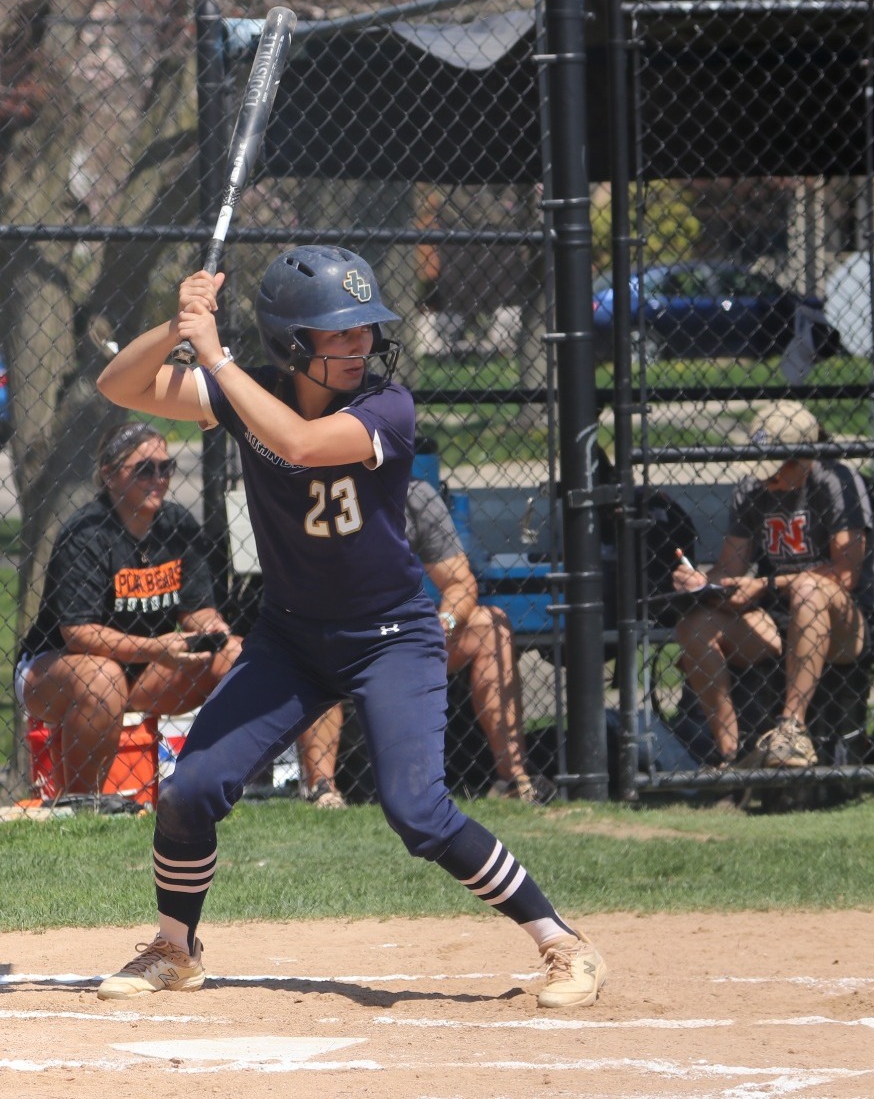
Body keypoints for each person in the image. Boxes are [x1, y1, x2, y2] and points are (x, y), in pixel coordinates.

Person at [93, 245, 607, 1008]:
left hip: (390, 635)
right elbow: (119, 384)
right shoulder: (251, 390)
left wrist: (215, 358)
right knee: (189, 789)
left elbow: (298, 445)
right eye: (339, 332)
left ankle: (564, 943)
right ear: (291, 343)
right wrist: (178, 323)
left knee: (417, 811)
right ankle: (176, 947)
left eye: (365, 327)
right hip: (291, 638)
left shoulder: (387, 406)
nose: (361, 342)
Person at [295, 477, 551, 808]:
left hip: (407, 633)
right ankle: (322, 789)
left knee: (491, 626)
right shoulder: (320, 489)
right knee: (317, 639)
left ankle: (512, 779)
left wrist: (441, 626)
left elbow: (460, 583)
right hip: (345, 632)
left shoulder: (414, 494)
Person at [17, 422, 241, 800]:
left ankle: (217, 788)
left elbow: (196, 609)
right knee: (103, 679)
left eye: (165, 467)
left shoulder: (177, 525)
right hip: (56, 669)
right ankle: (83, 806)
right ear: (110, 476)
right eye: (144, 469)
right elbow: (77, 634)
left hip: (144, 672)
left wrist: (211, 627)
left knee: (234, 655)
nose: (159, 479)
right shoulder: (86, 533)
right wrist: (155, 649)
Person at [669, 402, 874, 769]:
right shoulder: (752, 488)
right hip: (776, 617)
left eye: (776, 469)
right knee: (695, 626)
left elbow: (845, 574)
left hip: (841, 622)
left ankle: (791, 731)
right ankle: (731, 756)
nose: (767, 479)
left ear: (803, 459)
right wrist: (704, 583)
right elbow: (730, 567)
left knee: (808, 590)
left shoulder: (836, 480)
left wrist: (765, 583)